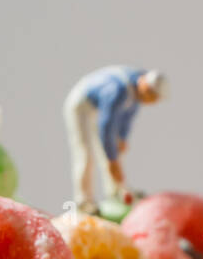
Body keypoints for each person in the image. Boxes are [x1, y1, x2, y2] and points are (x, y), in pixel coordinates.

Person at [63, 66, 164, 214]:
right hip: (82, 104)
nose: (149, 101)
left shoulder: (136, 93)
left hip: (97, 107)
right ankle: (83, 201)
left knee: (112, 150)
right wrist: (112, 159)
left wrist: (122, 138)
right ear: (144, 86)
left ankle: (116, 191)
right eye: (150, 96)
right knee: (85, 153)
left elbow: (127, 117)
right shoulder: (119, 91)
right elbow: (106, 126)